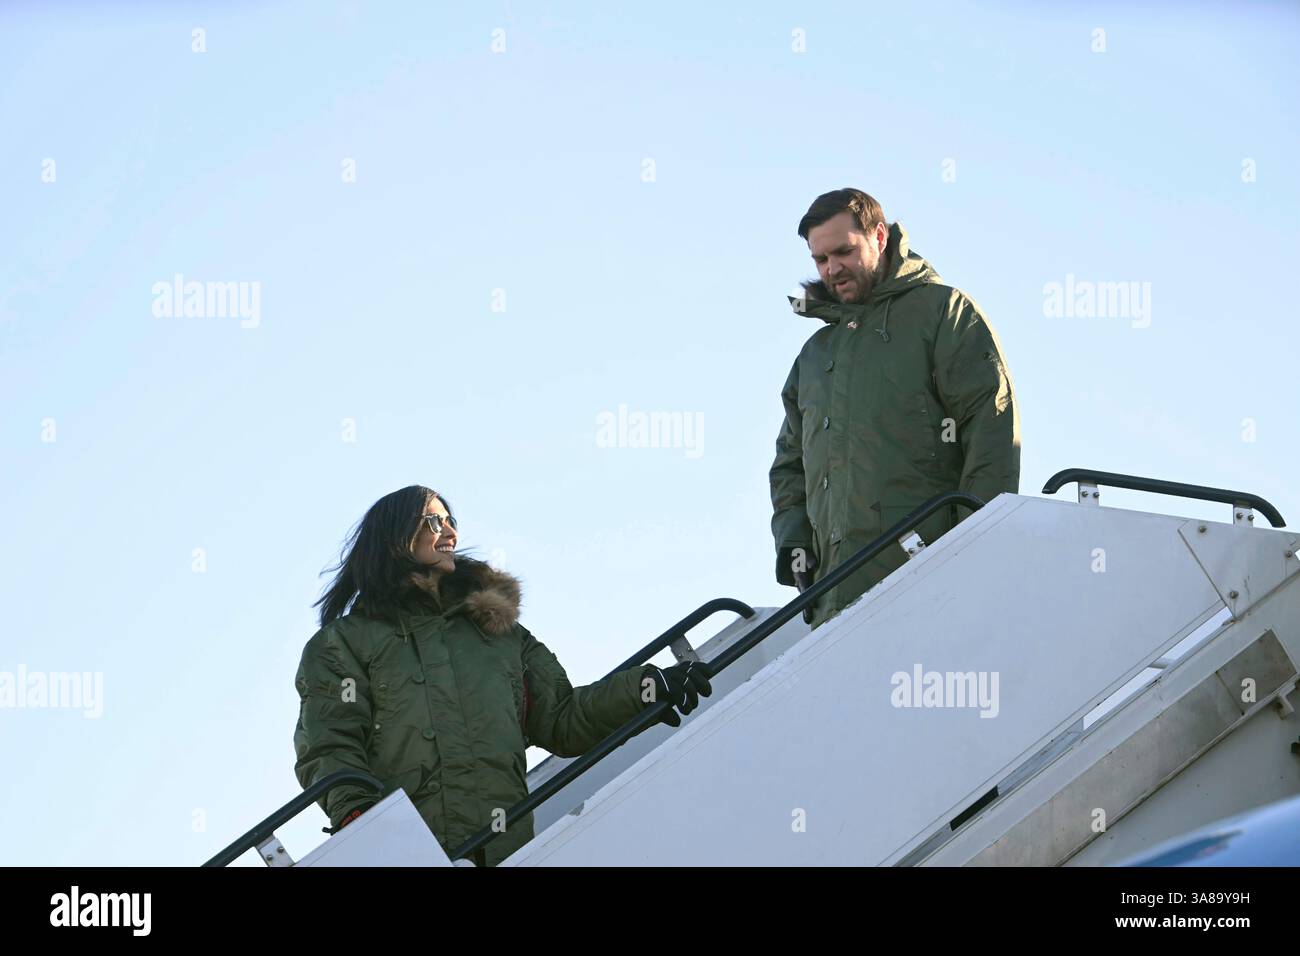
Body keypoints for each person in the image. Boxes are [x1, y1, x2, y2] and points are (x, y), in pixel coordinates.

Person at [293, 485, 711, 866]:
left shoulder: (500, 634)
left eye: (452, 521)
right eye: (434, 521)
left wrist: (645, 688)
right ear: (394, 537)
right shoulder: (344, 644)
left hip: (506, 852)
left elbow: (562, 719)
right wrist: (362, 822)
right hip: (409, 854)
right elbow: (329, 745)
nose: (451, 533)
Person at [770, 188, 1021, 629]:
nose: (832, 269)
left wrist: (973, 543)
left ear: (880, 237)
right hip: (833, 595)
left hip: (929, 584)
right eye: (820, 260)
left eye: (844, 252)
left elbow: (991, 430)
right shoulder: (814, 355)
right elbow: (790, 466)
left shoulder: (944, 313)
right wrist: (795, 548)